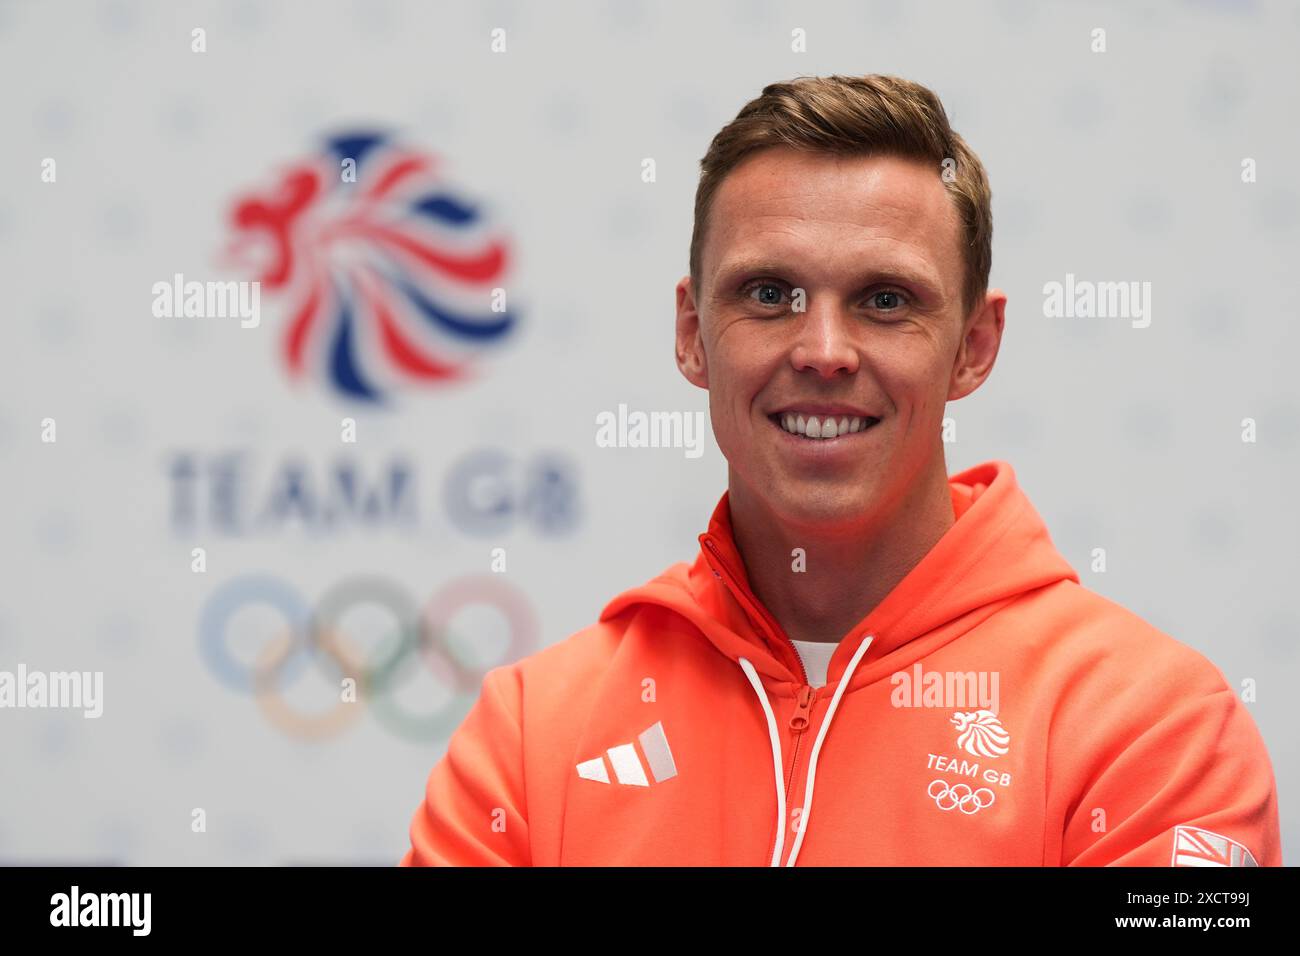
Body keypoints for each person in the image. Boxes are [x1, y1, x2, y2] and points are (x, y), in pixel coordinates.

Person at [400, 73, 1282, 866]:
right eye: (769, 293)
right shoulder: (530, 734)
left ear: (974, 348)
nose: (823, 351)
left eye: (885, 301)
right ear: (690, 333)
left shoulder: (1156, 729)